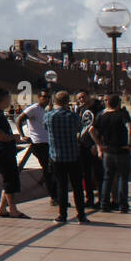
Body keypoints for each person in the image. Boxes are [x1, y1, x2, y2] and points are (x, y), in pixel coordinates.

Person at [44, 91, 87, 223]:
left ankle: (62, 215)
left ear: (55, 101)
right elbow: (80, 129)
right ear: (67, 101)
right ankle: (81, 215)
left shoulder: (48, 116)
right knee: (77, 186)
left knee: (61, 186)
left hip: (56, 156)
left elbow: (45, 128)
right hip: (73, 155)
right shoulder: (73, 116)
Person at [90, 94, 131, 212]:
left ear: (107, 103)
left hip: (108, 151)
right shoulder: (123, 114)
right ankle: (123, 205)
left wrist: (99, 144)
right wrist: (130, 145)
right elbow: (130, 128)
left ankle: (104, 204)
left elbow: (91, 130)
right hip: (122, 150)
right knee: (122, 179)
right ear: (119, 103)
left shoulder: (102, 116)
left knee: (107, 178)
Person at [0, 89, 28, 218]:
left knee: (8, 180)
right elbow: (0, 135)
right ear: (4, 99)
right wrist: (14, 137)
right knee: (10, 181)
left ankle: (2, 208)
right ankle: (13, 209)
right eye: (9, 98)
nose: (10, 101)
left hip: (1, 152)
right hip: (4, 153)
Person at [15, 89, 54, 204]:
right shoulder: (33, 108)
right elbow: (19, 119)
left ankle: (55, 194)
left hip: (47, 142)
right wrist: (23, 135)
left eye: (48, 97)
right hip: (38, 143)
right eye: (45, 97)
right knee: (48, 169)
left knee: (51, 169)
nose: (47, 99)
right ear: (39, 97)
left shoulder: (45, 110)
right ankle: (53, 196)